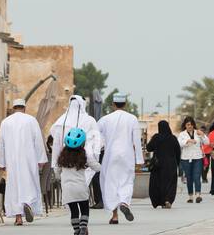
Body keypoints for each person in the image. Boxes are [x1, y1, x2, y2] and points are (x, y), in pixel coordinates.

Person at [0, 99, 47, 225]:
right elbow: (38, 141)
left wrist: (1, 163)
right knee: (28, 183)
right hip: (29, 159)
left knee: (14, 186)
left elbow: (1, 144)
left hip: (11, 160)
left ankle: (18, 217)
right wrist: (41, 159)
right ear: (24, 108)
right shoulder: (31, 120)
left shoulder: (5, 122)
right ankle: (27, 203)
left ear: (13, 108)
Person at [96, 92, 142, 223]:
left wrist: (100, 146)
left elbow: (95, 132)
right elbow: (136, 140)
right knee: (126, 181)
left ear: (113, 105)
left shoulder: (105, 119)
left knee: (111, 184)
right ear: (125, 104)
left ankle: (114, 216)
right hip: (127, 155)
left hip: (110, 156)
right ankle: (124, 203)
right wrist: (139, 159)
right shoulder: (132, 118)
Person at [48, 94, 102, 187]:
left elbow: (54, 140)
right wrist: (96, 159)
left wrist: (56, 165)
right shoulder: (89, 120)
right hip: (84, 161)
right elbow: (97, 141)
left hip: (64, 161)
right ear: (82, 105)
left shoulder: (60, 121)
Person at [57, 127, 94, 235]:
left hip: (67, 189)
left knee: (74, 211)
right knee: (84, 208)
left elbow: (57, 172)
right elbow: (96, 166)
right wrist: (101, 168)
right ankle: (83, 229)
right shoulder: (84, 155)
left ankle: (76, 233)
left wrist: (60, 176)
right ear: (83, 143)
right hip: (80, 188)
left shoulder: (62, 157)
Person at [146, 120, 181, 208]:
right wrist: (177, 163)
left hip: (158, 165)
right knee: (170, 183)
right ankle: (168, 200)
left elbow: (149, 148)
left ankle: (159, 201)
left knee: (158, 183)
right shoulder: (173, 138)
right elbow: (178, 152)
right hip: (171, 164)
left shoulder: (156, 137)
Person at [177, 117, 207, 203]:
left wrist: (202, 135)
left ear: (194, 125)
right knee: (189, 178)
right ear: (185, 125)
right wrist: (188, 141)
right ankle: (190, 196)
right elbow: (179, 143)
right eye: (188, 124)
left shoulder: (198, 133)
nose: (190, 126)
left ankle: (198, 195)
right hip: (186, 158)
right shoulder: (182, 134)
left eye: (191, 124)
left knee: (197, 176)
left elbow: (207, 142)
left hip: (197, 157)